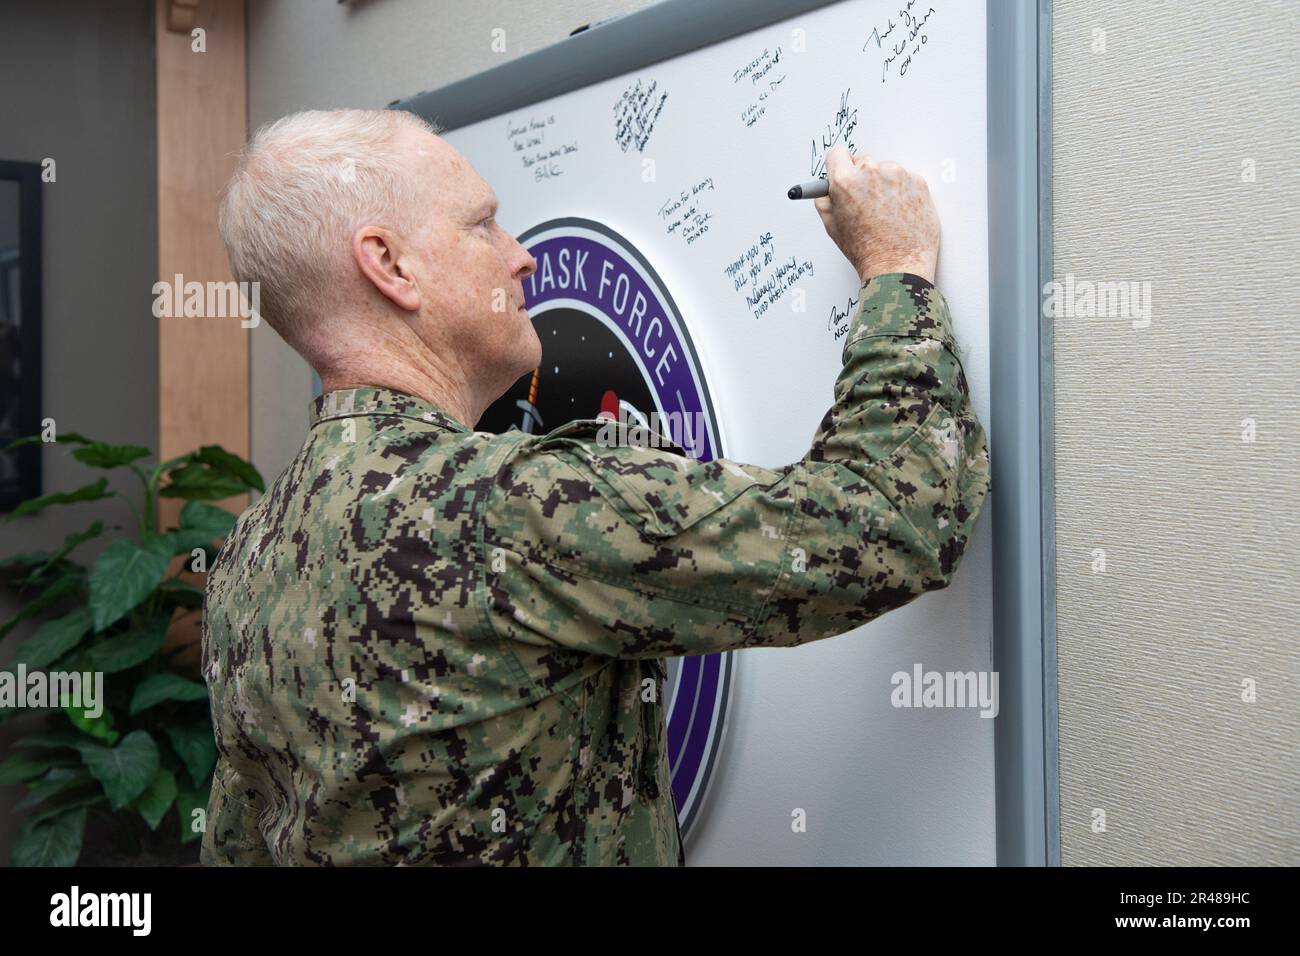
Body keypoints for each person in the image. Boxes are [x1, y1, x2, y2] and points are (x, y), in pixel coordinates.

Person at [201, 108, 991, 866]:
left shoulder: (247, 558)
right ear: (390, 266)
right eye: (481, 225)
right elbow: (893, 516)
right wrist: (895, 268)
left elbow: (241, 843)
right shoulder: (508, 513)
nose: (521, 255)